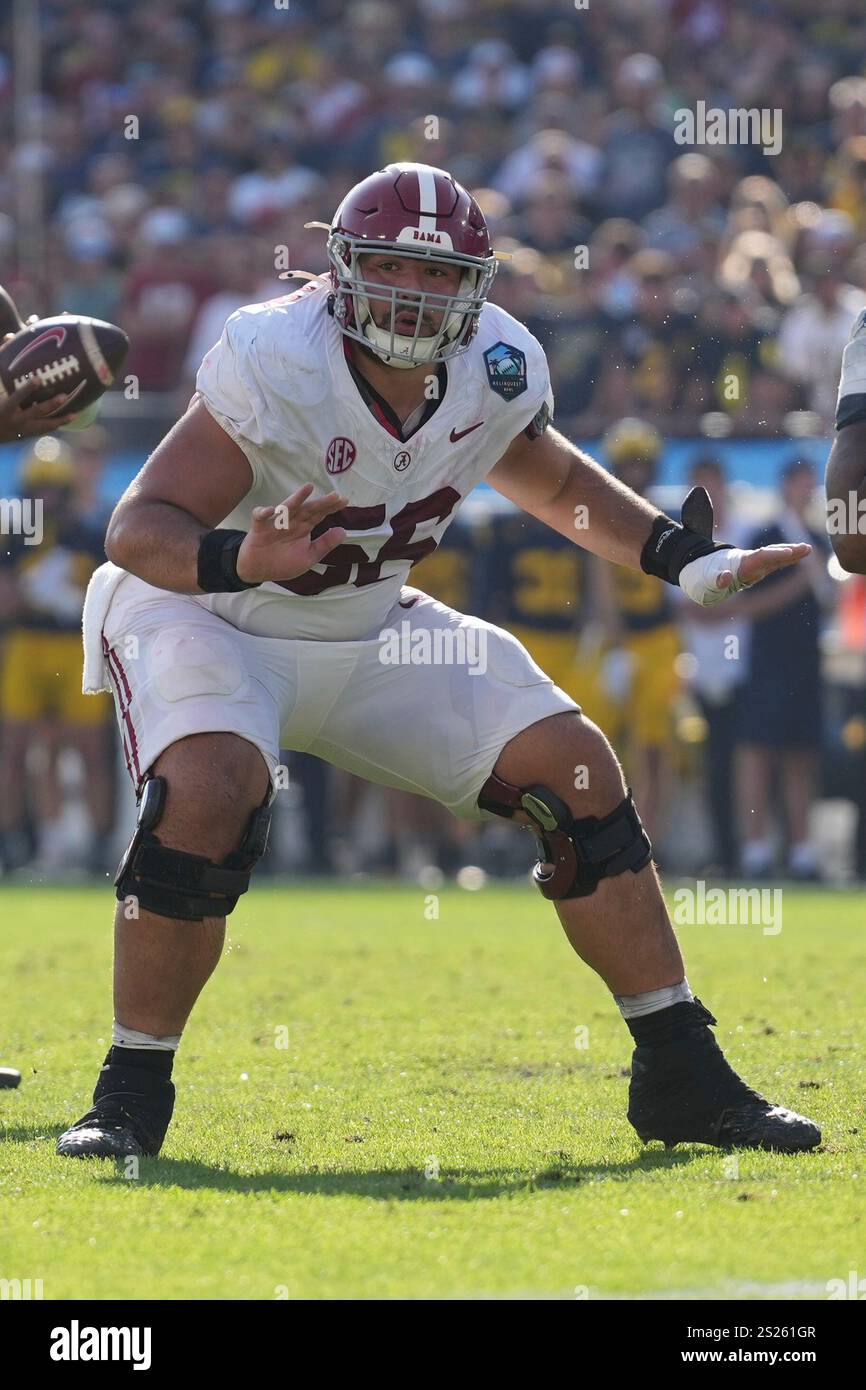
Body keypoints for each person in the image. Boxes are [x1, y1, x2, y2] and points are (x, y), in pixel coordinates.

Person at [57, 163, 818, 1160]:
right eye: (388, 268)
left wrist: (681, 556)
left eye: (434, 275)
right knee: (210, 785)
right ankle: (128, 1094)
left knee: (574, 765)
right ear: (341, 268)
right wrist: (243, 552)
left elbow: (545, 475)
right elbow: (136, 525)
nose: (411, 295)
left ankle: (680, 1072)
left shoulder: (496, 361)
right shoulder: (274, 351)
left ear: (474, 284)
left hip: (365, 624)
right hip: (209, 610)